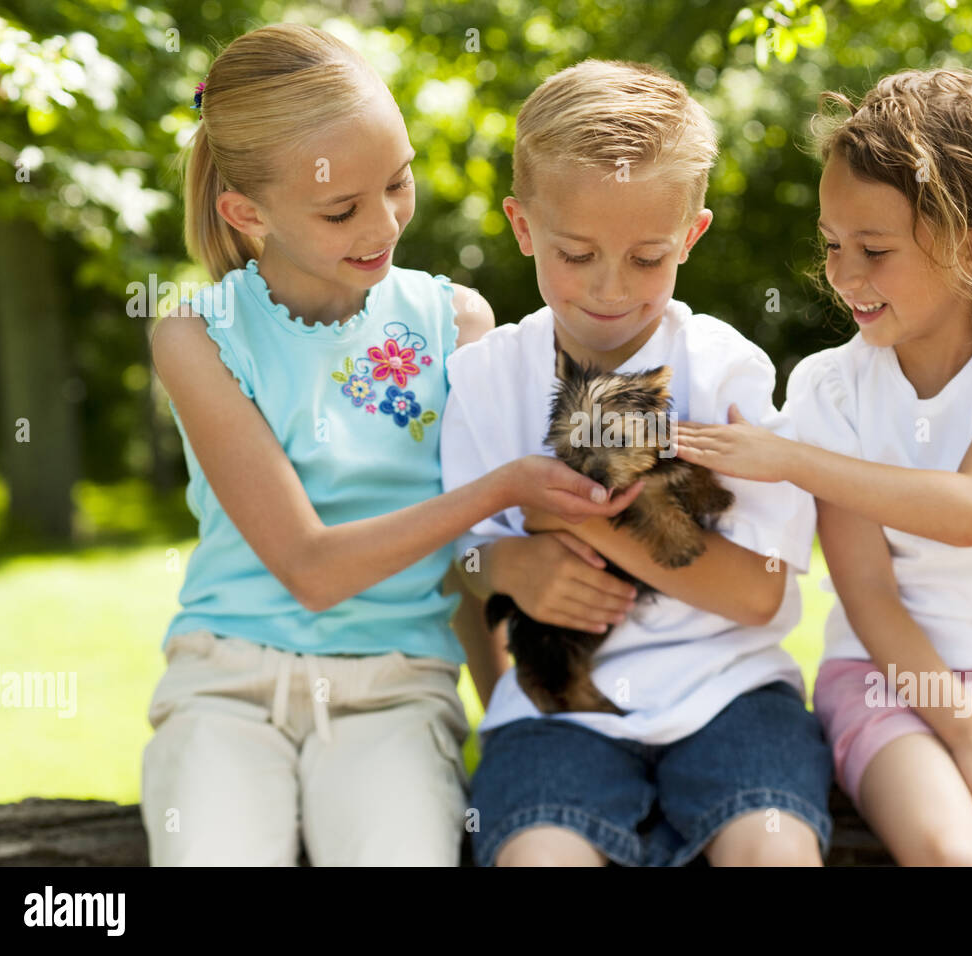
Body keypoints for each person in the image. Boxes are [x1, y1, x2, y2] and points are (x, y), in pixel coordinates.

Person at [143, 24, 633, 866]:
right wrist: (501, 486)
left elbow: (475, 566)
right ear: (246, 212)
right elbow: (312, 567)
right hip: (227, 685)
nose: (385, 224)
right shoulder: (198, 334)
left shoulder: (458, 324)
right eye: (342, 209)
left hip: (397, 686)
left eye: (397, 183)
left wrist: (514, 718)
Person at [672, 68, 972, 867]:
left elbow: (970, 507)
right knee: (952, 853)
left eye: (875, 249)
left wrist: (798, 460)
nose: (845, 275)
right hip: (886, 678)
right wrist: (970, 736)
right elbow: (866, 592)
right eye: (834, 245)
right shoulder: (830, 388)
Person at [440, 59, 834, 867]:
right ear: (522, 226)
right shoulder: (483, 379)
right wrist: (513, 558)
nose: (610, 289)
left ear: (692, 236)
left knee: (775, 851)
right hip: (559, 713)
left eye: (648, 258)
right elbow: (465, 556)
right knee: (537, 857)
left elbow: (759, 593)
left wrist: (570, 518)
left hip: (729, 692)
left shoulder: (726, 373)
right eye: (576, 253)